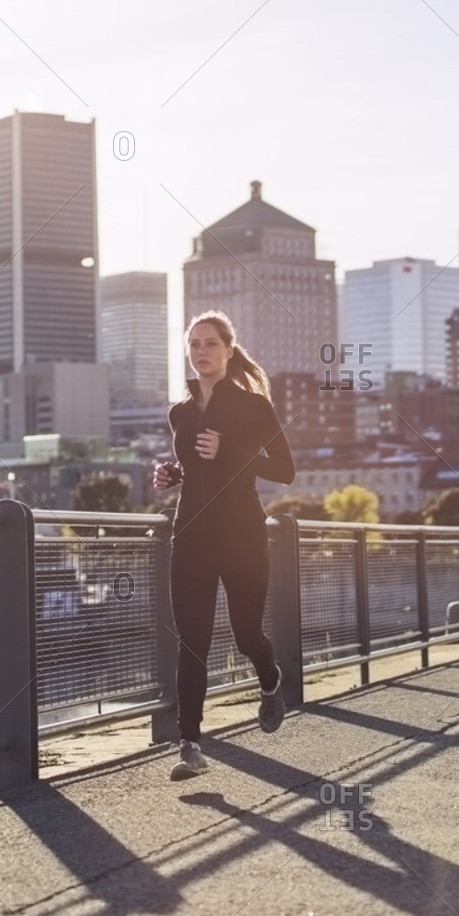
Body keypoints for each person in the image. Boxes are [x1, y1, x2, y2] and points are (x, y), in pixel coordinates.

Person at [153, 311, 296, 780]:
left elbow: (284, 470)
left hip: (242, 534)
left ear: (229, 350)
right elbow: (197, 470)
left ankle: (270, 679)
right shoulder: (181, 412)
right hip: (191, 532)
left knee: (245, 634)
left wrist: (232, 450)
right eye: (194, 344)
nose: (201, 352)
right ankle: (190, 746)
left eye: (210, 343)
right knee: (191, 641)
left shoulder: (253, 407)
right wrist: (172, 475)